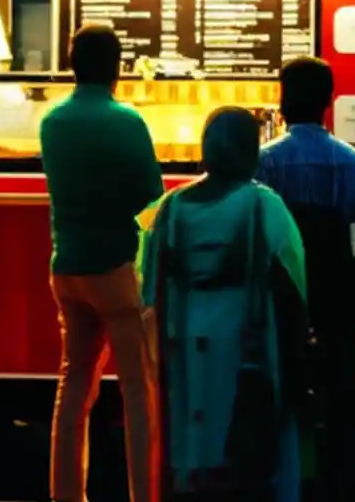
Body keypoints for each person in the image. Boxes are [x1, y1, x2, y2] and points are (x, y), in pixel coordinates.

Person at [139, 107, 309, 502]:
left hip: (184, 367)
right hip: (249, 365)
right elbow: (293, 290)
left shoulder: (169, 209)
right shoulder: (265, 207)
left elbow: (148, 289)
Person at [40, 24, 165, 502]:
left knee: (73, 386)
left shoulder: (53, 121)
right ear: (117, 67)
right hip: (115, 270)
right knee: (137, 389)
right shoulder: (126, 121)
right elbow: (152, 198)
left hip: (66, 268)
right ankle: (144, 493)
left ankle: (66, 494)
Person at [254, 56, 355, 501]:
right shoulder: (353, 163)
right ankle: (337, 484)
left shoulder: (265, 162)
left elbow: (257, 238)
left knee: (279, 393)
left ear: (283, 99)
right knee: (340, 396)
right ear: (329, 100)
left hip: (280, 295)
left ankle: (288, 481)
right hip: (336, 294)